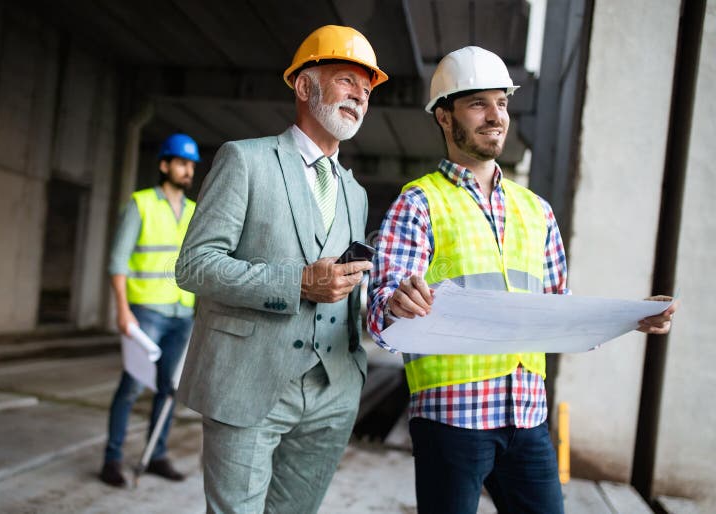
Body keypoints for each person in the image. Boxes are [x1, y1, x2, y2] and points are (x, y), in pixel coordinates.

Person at [367, 46, 678, 514]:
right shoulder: (419, 203)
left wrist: (631, 317)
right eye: (478, 104)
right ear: (444, 117)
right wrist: (395, 305)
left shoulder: (537, 211)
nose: (496, 116)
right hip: (452, 420)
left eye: (503, 103)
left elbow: (559, 312)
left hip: (527, 417)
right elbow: (379, 314)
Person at [175, 25, 387, 514]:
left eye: (367, 88)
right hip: (250, 382)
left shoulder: (355, 192)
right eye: (346, 81)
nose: (360, 96)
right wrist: (297, 282)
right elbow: (194, 267)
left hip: (334, 389)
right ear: (304, 85)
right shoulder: (244, 160)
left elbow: (345, 284)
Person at [99, 133, 200, 488]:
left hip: (181, 313)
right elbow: (117, 262)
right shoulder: (141, 204)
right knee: (131, 386)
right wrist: (123, 311)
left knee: (168, 389)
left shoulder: (193, 211)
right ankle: (112, 459)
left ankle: (156, 455)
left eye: (191, 164)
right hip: (146, 312)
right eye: (182, 162)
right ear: (164, 165)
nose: (189, 169)